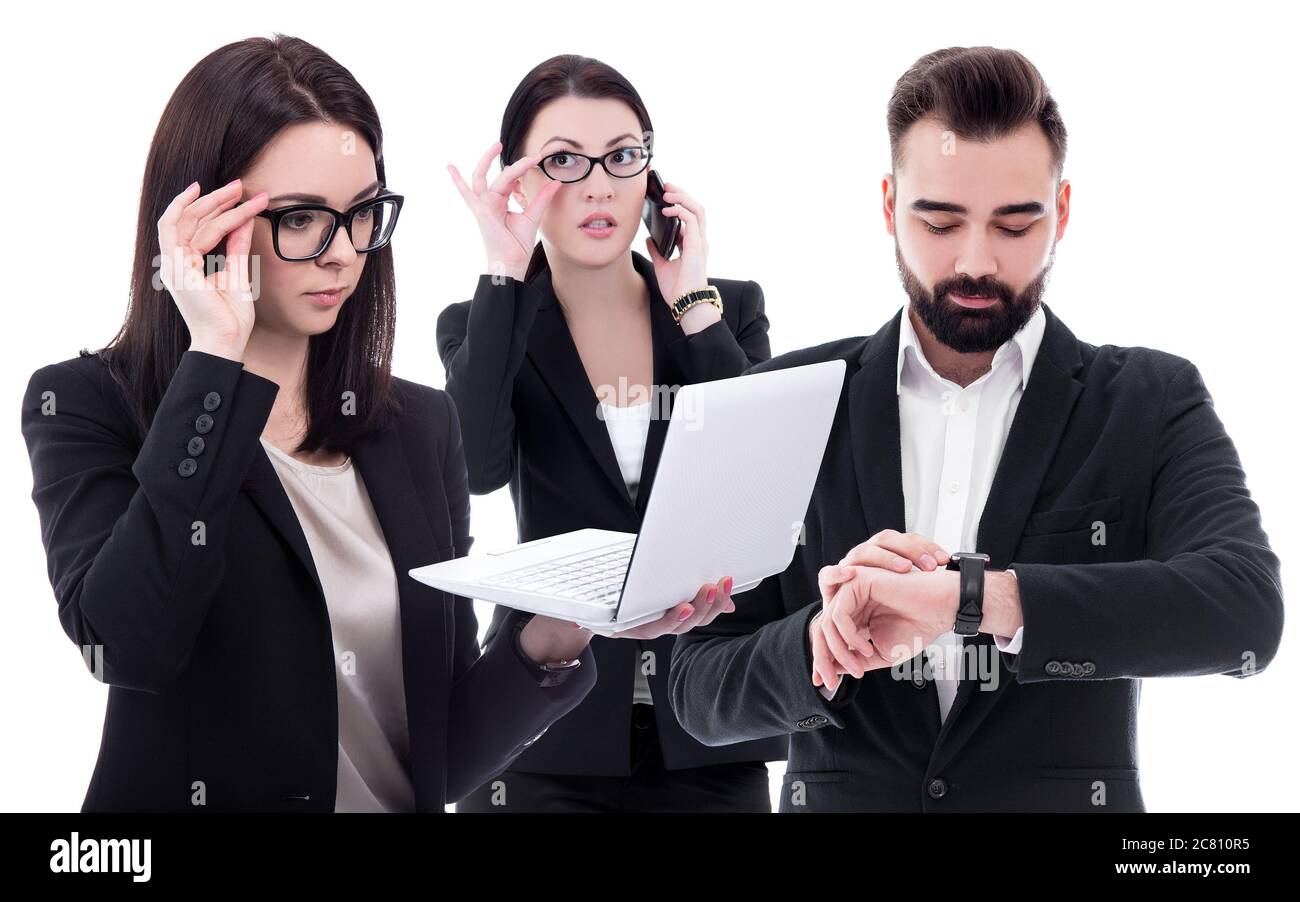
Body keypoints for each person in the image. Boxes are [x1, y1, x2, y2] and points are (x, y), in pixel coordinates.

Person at [20, 35, 726, 813]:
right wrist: (217, 354)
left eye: (361, 215)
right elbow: (128, 644)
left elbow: (438, 755)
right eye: (299, 220)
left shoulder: (415, 425)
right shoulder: (93, 405)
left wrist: (565, 629)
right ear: (197, 224)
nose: (342, 255)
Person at [668, 45, 1284, 812]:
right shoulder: (784, 400)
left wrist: (973, 599)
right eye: (940, 220)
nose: (976, 261)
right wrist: (816, 645)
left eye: (1015, 225)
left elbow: (1243, 613)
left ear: (1060, 213)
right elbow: (695, 688)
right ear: (890, 205)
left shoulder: (1151, 400)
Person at [438, 54, 784, 812]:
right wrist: (505, 266)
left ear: (652, 180)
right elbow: (477, 469)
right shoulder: (485, 325)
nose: (599, 184)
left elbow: (760, 474)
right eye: (564, 160)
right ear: (521, 183)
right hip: (546, 723)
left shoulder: (723, 307)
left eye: (623, 157)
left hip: (706, 721)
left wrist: (692, 303)